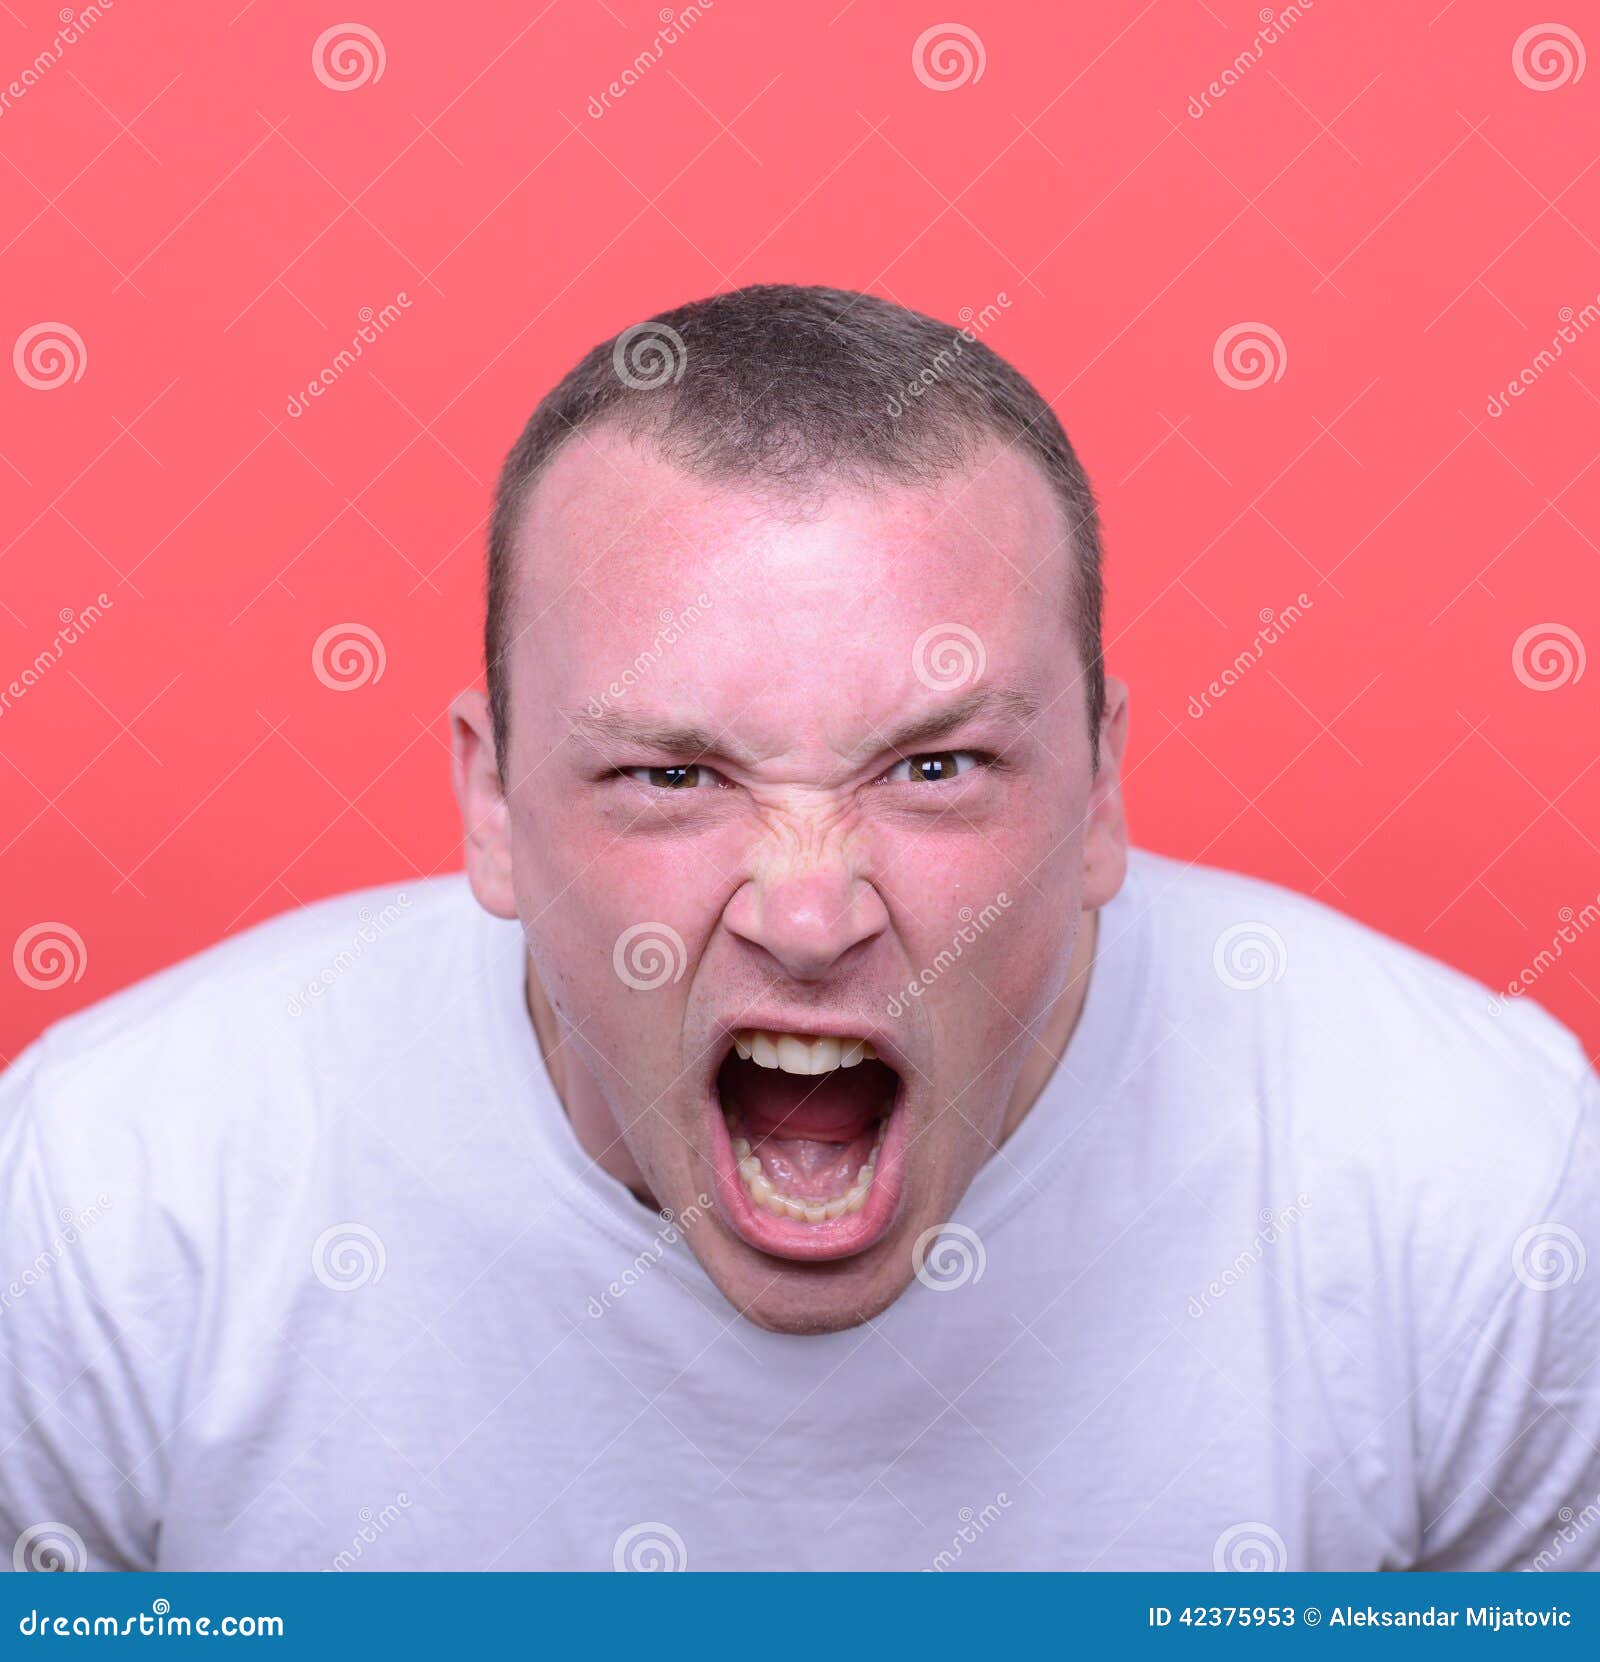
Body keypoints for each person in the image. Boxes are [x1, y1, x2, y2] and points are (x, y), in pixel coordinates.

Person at [2, 285, 1596, 1573]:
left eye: (935, 767)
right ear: (491, 802)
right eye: (671, 775)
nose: (812, 912)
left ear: (1102, 784)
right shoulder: (115, 1202)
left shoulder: (1481, 1187)